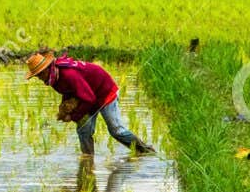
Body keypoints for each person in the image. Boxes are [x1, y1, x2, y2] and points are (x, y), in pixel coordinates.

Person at [26, 51, 154, 156]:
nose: (38, 78)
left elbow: (90, 99)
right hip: (88, 95)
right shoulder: (54, 78)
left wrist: (73, 116)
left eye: (39, 74)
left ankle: (146, 151)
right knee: (83, 129)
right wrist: (64, 109)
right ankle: (88, 160)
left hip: (104, 92)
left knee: (116, 130)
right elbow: (69, 92)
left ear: (46, 69)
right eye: (36, 76)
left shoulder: (69, 74)